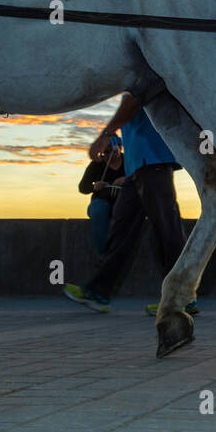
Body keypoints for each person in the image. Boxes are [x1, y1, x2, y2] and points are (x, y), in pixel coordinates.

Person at [63, 94, 196, 315]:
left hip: (152, 162)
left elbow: (133, 102)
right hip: (136, 167)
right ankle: (99, 293)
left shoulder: (141, 69)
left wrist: (105, 134)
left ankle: (182, 298)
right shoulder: (133, 76)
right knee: (120, 233)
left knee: (167, 231)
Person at [77, 135, 126, 257]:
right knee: (99, 210)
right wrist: (94, 187)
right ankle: (104, 256)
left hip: (124, 201)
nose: (110, 154)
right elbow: (82, 187)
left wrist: (127, 180)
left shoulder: (129, 161)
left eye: (114, 149)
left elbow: (141, 179)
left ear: (120, 147)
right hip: (101, 201)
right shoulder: (96, 164)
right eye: (106, 152)